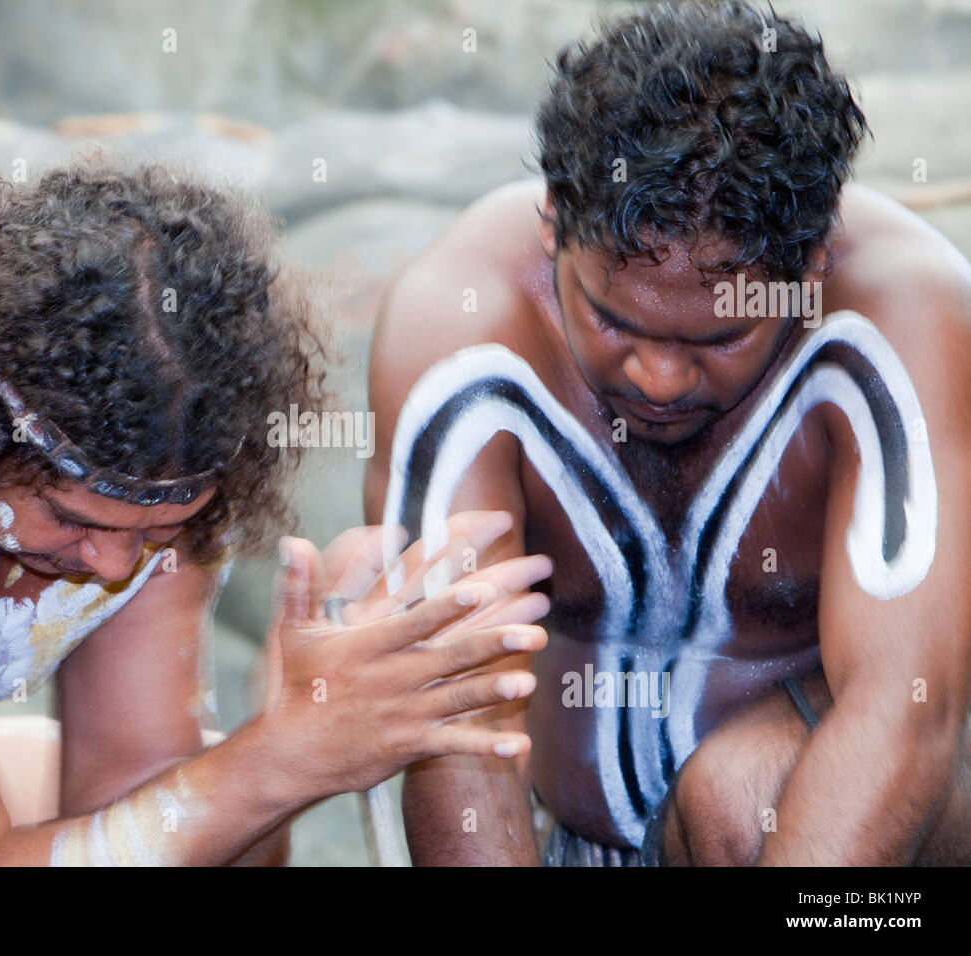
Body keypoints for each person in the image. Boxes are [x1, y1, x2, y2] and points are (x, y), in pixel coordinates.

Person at [0, 157, 551, 865]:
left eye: (155, 533)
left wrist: (302, 722)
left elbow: (136, 791)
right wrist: (286, 754)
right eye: (73, 519)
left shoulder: (162, 457)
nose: (115, 565)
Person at [366, 0, 971, 865]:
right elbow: (454, 707)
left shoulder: (903, 312)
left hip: (854, 867)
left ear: (808, 268)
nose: (658, 377)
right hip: (569, 839)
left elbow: (907, 712)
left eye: (717, 338)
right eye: (615, 321)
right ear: (552, 225)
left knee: (739, 799)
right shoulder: (461, 324)